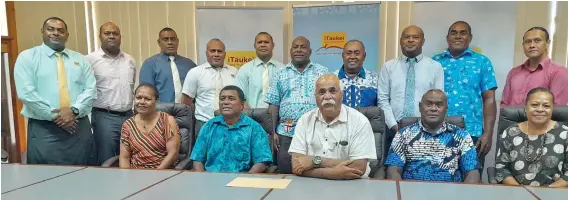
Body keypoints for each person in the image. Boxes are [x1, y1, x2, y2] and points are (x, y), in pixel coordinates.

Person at [14, 17, 96, 165]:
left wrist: (74, 111)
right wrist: (56, 116)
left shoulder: (80, 59)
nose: (56, 33)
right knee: (45, 177)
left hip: (78, 125)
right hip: (45, 129)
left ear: (67, 35)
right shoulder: (27, 57)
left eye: (60, 30)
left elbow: (90, 89)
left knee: (84, 173)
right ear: (42, 32)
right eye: (51, 29)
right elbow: (27, 94)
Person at [432, 21, 498, 169]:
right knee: (438, 178)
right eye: (454, 33)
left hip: (472, 132)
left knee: (471, 178)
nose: (458, 36)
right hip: (439, 131)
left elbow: (489, 100)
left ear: (470, 37)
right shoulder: (434, 62)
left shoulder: (482, 62)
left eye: (463, 33)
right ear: (447, 37)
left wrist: (488, 133)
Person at [289, 75, 377, 179]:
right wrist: (333, 174)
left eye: (332, 91)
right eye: (321, 92)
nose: (327, 97)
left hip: (352, 184)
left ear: (342, 94)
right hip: (311, 186)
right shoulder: (304, 120)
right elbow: (296, 165)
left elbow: (358, 167)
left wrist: (315, 161)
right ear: (315, 97)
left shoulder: (359, 121)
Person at [385, 89, 481, 183]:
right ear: (420, 107)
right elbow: (393, 171)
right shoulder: (403, 134)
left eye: (439, 105)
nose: (433, 109)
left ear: (446, 109)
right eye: (429, 104)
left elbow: (472, 173)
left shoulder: (462, 136)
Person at [265, 36, 329, 174]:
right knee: (287, 172)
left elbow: (328, 101)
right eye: (295, 47)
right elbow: (273, 104)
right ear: (290, 51)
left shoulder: (322, 72)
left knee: (315, 171)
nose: (299, 50)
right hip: (286, 132)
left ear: (310, 51)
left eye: (303, 47)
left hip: (316, 130)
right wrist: (273, 132)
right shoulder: (279, 74)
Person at [378, 25, 444, 154]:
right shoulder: (388, 67)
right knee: (393, 169)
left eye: (415, 37)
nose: (410, 40)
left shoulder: (435, 67)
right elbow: (382, 100)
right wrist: (394, 126)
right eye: (406, 37)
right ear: (400, 41)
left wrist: (426, 127)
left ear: (423, 41)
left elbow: (438, 101)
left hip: (425, 131)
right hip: (394, 130)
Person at [495, 88, 568, 187]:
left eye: (546, 106)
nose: (540, 109)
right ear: (526, 107)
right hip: (516, 193)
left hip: (554, 193)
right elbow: (501, 169)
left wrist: (549, 191)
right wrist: (521, 192)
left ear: (552, 109)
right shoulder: (510, 133)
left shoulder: (565, 133)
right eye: (534, 105)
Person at [190, 86, 273, 173]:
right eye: (222, 99)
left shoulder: (254, 128)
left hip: (241, 180)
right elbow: (197, 159)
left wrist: (246, 180)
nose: (225, 102)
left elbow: (262, 161)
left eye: (231, 99)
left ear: (242, 105)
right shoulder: (209, 126)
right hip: (210, 179)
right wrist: (201, 179)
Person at [86, 22, 136, 165]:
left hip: (129, 116)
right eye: (107, 33)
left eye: (115, 33)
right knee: (106, 158)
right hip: (104, 117)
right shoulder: (90, 60)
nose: (112, 36)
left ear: (120, 37)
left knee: (129, 156)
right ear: (100, 36)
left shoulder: (129, 60)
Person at [182, 39, 238, 136]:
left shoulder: (234, 72)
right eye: (212, 51)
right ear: (206, 53)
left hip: (231, 124)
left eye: (219, 51)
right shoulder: (195, 72)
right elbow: (186, 102)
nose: (216, 54)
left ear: (225, 54)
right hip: (204, 123)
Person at [501, 27, 568, 106]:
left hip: (541, 118)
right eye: (528, 42)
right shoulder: (514, 72)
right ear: (523, 45)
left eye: (537, 41)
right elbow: (504, 105)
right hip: (512, 118)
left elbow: (556, 109)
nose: (532, 45)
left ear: (547, 43)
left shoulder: (559, 72)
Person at [119, 83, 181, 169]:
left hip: (163, 173)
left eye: (147, 99)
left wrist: (155, 174)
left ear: (156, 101)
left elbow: (173, 154)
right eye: (138, 98)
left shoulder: (166, 120)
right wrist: (125, 177)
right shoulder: (128, 125)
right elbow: (124, 158)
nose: (142, 102)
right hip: (136, 174)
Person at [139, 27, 197, 103]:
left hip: (186, 112)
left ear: (177, 41)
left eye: (173, 39)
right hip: (161, 112)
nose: (170, 42)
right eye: (165, 39)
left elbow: (197, 91)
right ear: (159, 42)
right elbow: (146, 93)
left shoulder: (189, 64)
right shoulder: (150, 64)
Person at [236, 32, 285, 109]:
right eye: (259, 42)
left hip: (278, 117)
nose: (263, 45)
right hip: (252, 117)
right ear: (255, 46)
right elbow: (238, 96)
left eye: (266, 42)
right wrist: (249, 116)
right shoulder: (245, 69)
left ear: (273, 45)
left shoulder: (282, 69)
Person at [334, 40, 379, 108]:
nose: (352, 57)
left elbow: (381, 106)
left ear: (364, 56)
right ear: (343, 56)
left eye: (357, 53)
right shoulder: (332, 79)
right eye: (348, 53)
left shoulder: (376, 79)